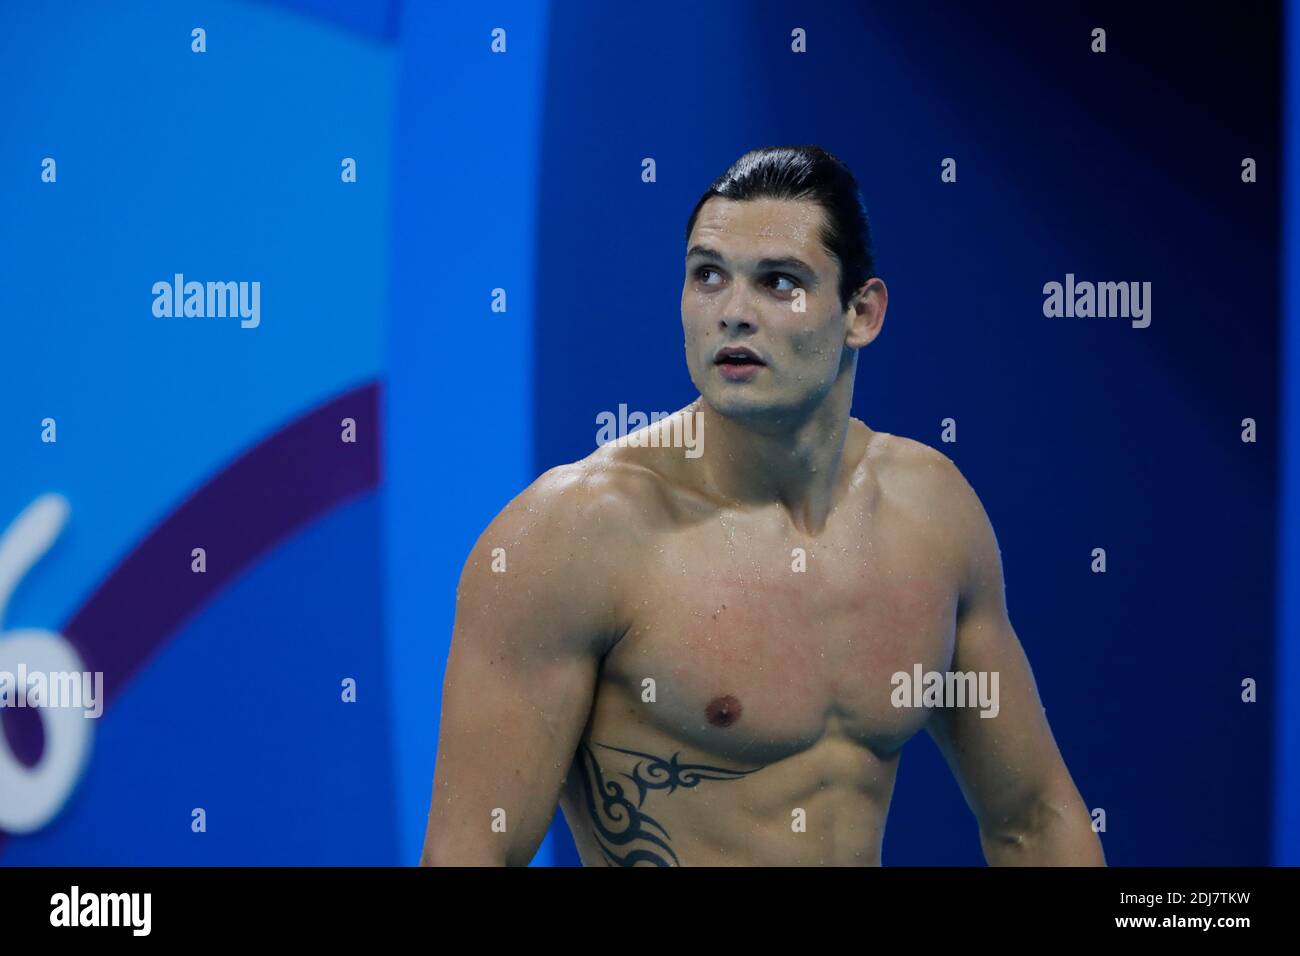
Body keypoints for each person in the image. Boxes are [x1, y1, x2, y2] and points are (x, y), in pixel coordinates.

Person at [421, 145, 1105, 866]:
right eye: (707, 276)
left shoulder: (930, 514)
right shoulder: (574, 536)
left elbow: (1033, 820)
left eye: (779, 282)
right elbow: (467, 854)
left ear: (862, 313)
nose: (733, 314)